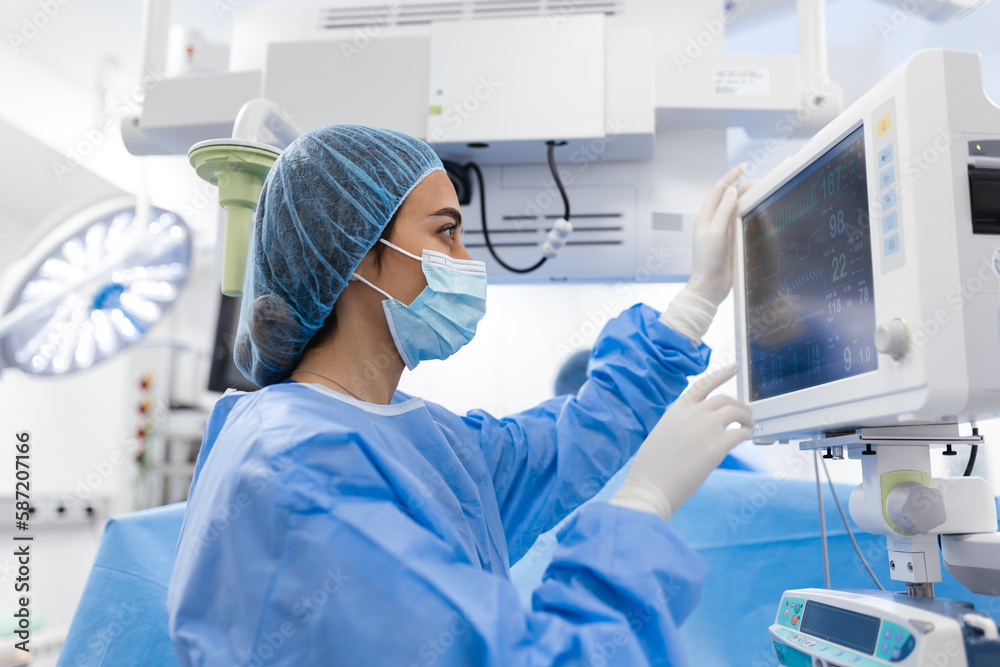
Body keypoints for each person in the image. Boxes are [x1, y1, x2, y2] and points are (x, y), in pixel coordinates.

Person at [167, 124, 755, 666]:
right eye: (446, 232)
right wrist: (639, 507)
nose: (468, 263)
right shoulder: (295, 469)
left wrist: (699, 298)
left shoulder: (421, 443)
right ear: (350, 255)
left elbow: (573, 437)